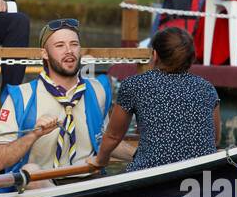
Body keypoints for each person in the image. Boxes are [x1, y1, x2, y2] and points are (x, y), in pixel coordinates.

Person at [0, 20, 116, 190]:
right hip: (41, 186)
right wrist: (33, 135)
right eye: (60, 46)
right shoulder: (21, 97)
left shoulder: (98, 90)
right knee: (30, 170)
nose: (69, 51)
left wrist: (140, 155)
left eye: (74, 44)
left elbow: (108, 139)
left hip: (89, 183)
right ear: (45, 54)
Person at [89, 26, 220, 172]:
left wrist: (100, 160)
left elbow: (113, 136)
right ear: (192, 58)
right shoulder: (207, 88)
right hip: (202, 177)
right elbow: (215, 139)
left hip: (150, 173)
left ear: (155, 55)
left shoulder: (134, 85)